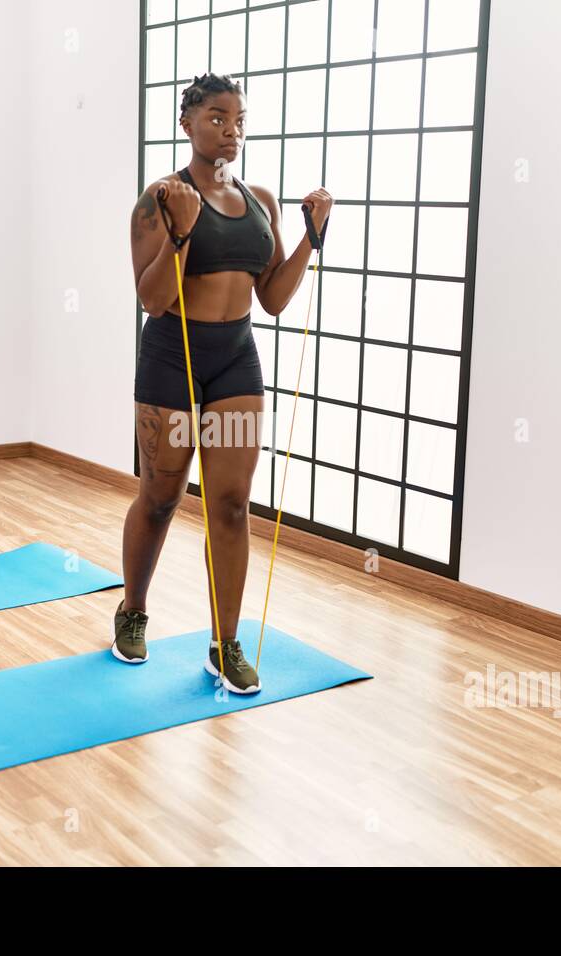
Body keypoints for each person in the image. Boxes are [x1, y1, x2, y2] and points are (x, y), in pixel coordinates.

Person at [115, 72, 333, 693]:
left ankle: (225, 642)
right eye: (216, 117)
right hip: (172, 356)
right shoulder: (159, 198)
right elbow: (152, 299)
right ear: (186, 124)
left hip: (235, 358)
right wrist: (181, 233)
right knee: (161, 496)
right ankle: (133, 610)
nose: (230, 130)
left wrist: (311, 239)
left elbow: (274, 299)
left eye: (238, 120)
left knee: (232, 504)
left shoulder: (259, 200)